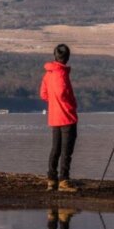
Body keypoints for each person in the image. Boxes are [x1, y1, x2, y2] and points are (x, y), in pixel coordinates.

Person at [39, 43, 78, 193]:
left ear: (55, 55)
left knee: (56, 148)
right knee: (66, 150)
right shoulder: (61, 73)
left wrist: (53, 101)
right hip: (67, 116)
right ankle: (64, 180)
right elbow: (63, 92)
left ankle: (51, 179)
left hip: (54, 116)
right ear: (67, 58)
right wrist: (72, 104)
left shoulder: (48, 73)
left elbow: (43, 94)